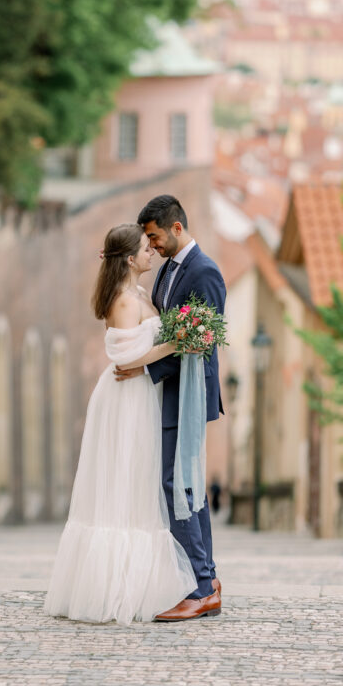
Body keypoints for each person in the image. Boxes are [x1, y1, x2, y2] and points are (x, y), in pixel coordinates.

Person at [44, 223, 197, 625]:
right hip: (125, 400)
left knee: (137, 484)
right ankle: (114, 589)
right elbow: (125, 358)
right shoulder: (124, 301)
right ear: (130, 259)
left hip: (141, 395)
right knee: (123, 485)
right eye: (146, 249)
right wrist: (177, 342)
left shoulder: (138, 293)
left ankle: (134, 581)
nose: (152, 252)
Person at [115, 195, 226, 622]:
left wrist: (145, 366)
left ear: (176, 228)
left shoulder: (205, 271)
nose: (152, 245)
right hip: (167, 392)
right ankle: (207, 581)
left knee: (177, 485)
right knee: (186, 485)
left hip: (188, 394)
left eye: (155, 236)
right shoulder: (165, 272)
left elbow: (201, 341)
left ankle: (199, 587)